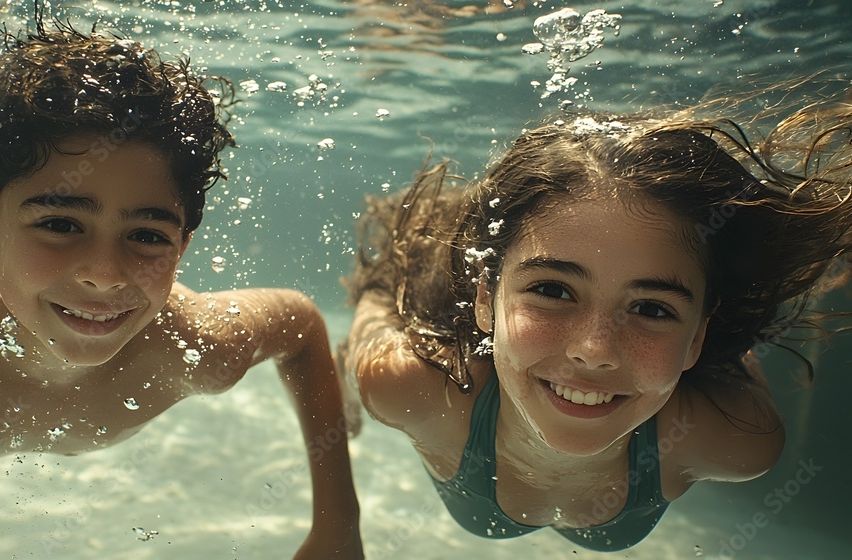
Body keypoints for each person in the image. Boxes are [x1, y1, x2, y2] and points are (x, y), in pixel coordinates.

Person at [0, 2, 362, 558]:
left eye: (146, 235)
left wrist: (338, 526)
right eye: (61, 224)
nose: (104, 275)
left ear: (182, 247)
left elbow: (301, 326)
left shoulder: (197, 345)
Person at [344, 90, 852, 550]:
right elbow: (376, 298)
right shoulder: (406, 385)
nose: (595, 350)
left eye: (652, 308)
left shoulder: (739, 438)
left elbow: (735, 349)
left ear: (698, 336)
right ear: (485, 299)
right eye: (552, 290)